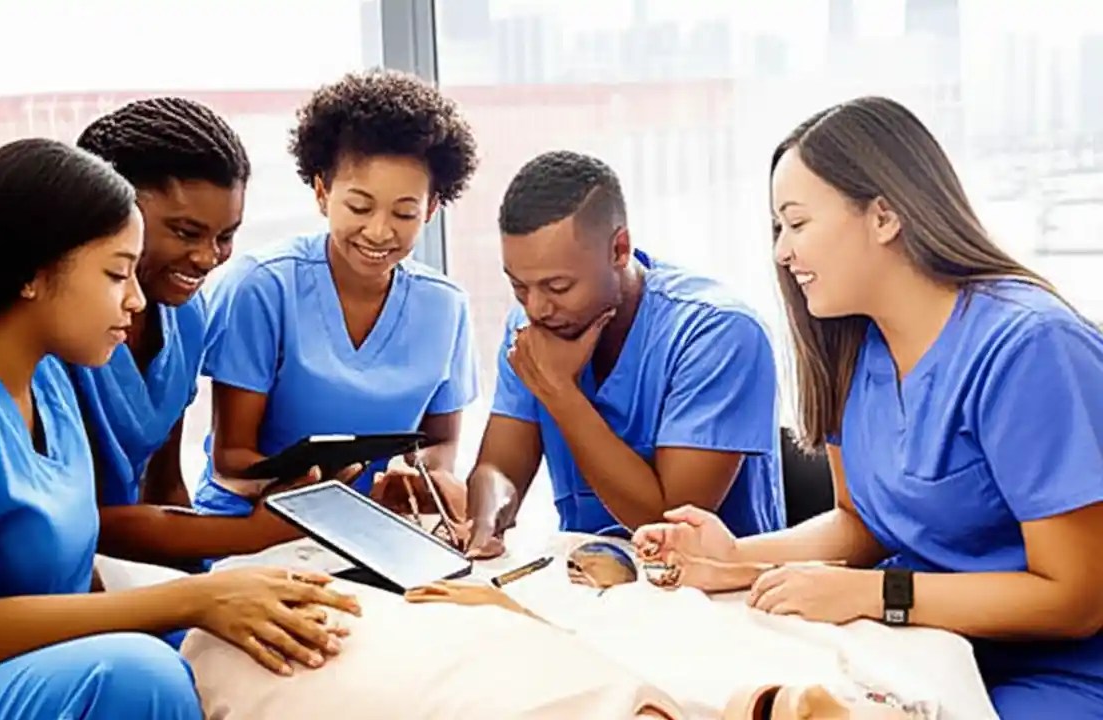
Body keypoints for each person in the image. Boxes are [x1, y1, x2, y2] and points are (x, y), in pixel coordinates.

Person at [0, 138, 360, 719]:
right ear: (31, 272)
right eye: (116, 274)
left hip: (1, 673)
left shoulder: (49, 380)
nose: (135, 301)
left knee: (245, 654)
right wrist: (193, 599)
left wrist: (215, 610)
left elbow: (74, 585)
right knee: (136, 675)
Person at [635, 96, 1103, 717]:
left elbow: (1076, 598)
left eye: (797, 224)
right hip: (923, 649)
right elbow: (861, 526)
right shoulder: (852, 348)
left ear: (884, 216)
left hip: (1055, 673)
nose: (781, 251)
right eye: (777, 228)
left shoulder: (1031, 347)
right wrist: (733, 560)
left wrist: (879, 594)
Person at [402, 150, 784, 558]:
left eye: (558, 287)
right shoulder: (531, 328)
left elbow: (667, 523)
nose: (536, 308)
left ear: (619, 249)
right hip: (591, 580)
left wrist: (561, 394)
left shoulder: (718, 332)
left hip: (718, 593)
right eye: (519, 287)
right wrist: (486, 519)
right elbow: (500, 468)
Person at [193, 68, 480, 523]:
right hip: (255, 519)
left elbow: (441, 443)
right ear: (322, 192)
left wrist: (417, 475)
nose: (380, 231)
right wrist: (319, 490)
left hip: (377, 527)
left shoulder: (445, 306)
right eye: (359, 207)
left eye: (404, 213)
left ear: (430, 209)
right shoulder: (264, 287)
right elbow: (232, 457)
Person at [70, 97, 302, 569]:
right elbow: (70, 524)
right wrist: (248, 535)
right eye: (185, 232)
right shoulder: (60, 332)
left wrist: (205, 584)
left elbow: (165, 485)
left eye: (225, 235)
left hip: (143, 569)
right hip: (76, 575)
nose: (207, 257)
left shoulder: (188, 316)